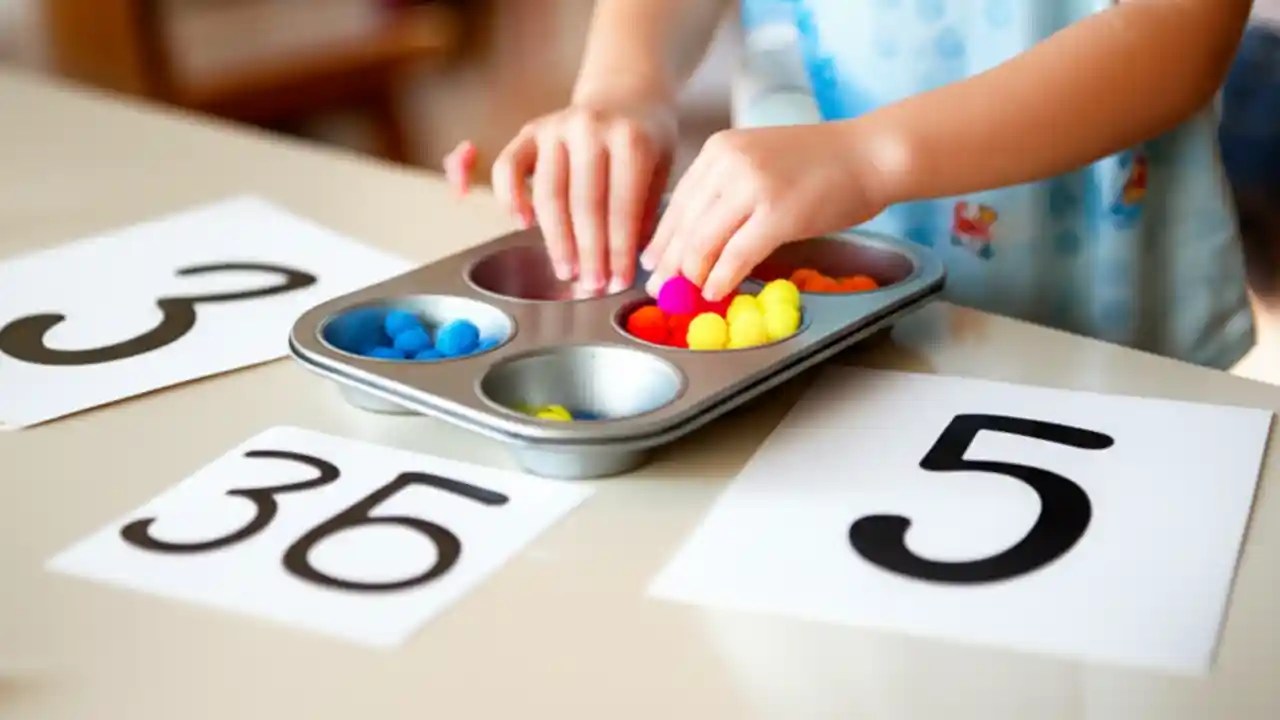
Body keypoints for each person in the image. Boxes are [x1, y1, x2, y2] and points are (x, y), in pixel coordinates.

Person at [445, 0, 1257, 370]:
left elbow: (1181, 32)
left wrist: (870, 158)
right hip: (825, 287)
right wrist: (625, 85)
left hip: (1101, 307)